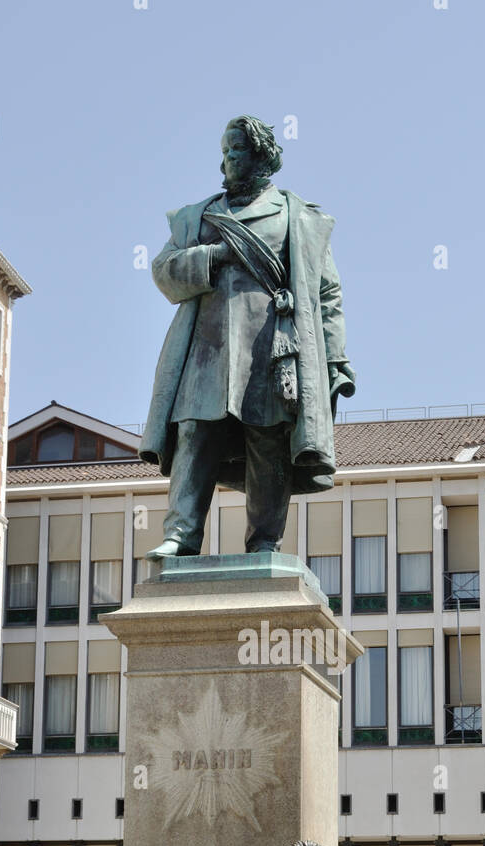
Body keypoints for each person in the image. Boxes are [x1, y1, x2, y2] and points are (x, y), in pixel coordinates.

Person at [139, 115, 355, 556]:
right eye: (223, 152)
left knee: (268, 440)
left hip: (273, 348)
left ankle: (264, 542)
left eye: (234, 151)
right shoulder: (198, 216)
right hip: (206, 347)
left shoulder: (299, 217)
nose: (225, 163)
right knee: (194, 433)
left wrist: (335, 360)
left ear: (260, 156)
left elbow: (327, 293)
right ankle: (180, 535)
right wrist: (212, 255)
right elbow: (163, 272)